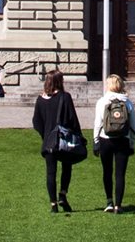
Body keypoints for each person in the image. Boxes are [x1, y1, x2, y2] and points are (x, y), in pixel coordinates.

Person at [31, 71, 83, 213]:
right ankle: (62, 194)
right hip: (64, 139)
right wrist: (78, 135)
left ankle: (53, 203)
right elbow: (72, 119)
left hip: (49, 141)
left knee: (50, 172)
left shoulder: (40, 99)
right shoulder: (65, 97)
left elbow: (36, 122)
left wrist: (45, 135)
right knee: (67, 167)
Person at [92, 74, 135, 213]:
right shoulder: (127, 102)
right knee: (120, 174)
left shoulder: (102, 101)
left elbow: (98, 124)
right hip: (123, 140)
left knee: (107, 171)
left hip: (106, 139)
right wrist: (132, 143)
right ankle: (118, 204)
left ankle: (109, 202)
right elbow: (134, 126)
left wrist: (95, 141)